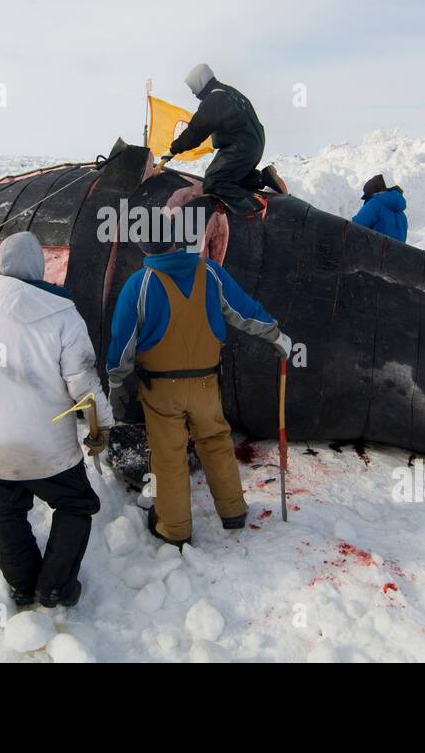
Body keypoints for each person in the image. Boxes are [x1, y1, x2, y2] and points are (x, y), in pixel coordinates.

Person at [106, 209, 291, 546]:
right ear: (176, 239)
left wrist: (116, 381)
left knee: (168, 455)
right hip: (207, 385)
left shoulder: (140, 285)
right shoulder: (210, 273)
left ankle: (174, 528)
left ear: (144, 246)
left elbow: (123, 341)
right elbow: (244, 311)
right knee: (216, 443)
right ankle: (233, 510)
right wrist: (276, 336)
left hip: (161, 389)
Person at [0, 232, 112, 608]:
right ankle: (54, 587)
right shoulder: (62, 314)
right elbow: (83, 380)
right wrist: (99, 424)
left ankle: (23, 583)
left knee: (7, 507)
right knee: (75, 504)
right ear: (38, 267)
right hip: (47, 446)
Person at [165, 63, 286, 216]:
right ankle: (263, 179)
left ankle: (250, 211)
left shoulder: (215, 99)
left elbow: (196, 130)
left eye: (193, 88)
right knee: (232, 178)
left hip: (239, 146)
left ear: (201, 82)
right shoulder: (230, 92)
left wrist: (173, 149)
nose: (194, 94)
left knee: (214, 181)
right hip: (254, 142)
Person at [351, 174, 408, 242]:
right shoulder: (401, 213)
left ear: (373, 193)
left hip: (377, 251)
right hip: (397, 252)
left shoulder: (375, 203)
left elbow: (356, 226)